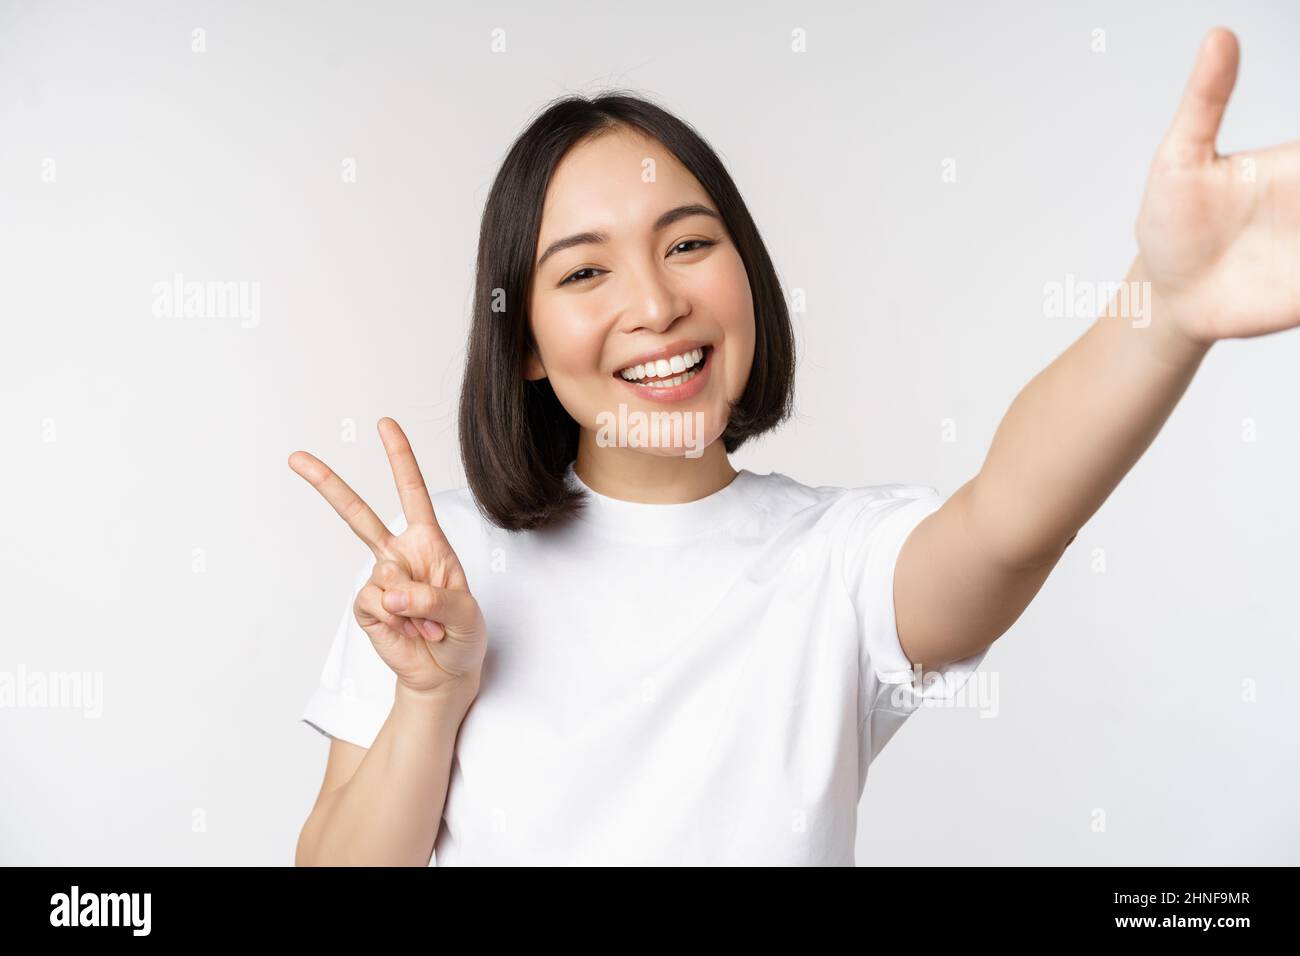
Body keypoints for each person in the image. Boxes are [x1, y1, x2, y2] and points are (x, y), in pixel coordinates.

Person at [289, 27, 1298, 865]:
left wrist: (1160, 311)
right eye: (585, 273)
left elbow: (1009, 521)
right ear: (524, 349)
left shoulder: (839, 566)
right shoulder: (438, 584)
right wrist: (433, 696)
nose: (656, 302)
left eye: (688, 243)